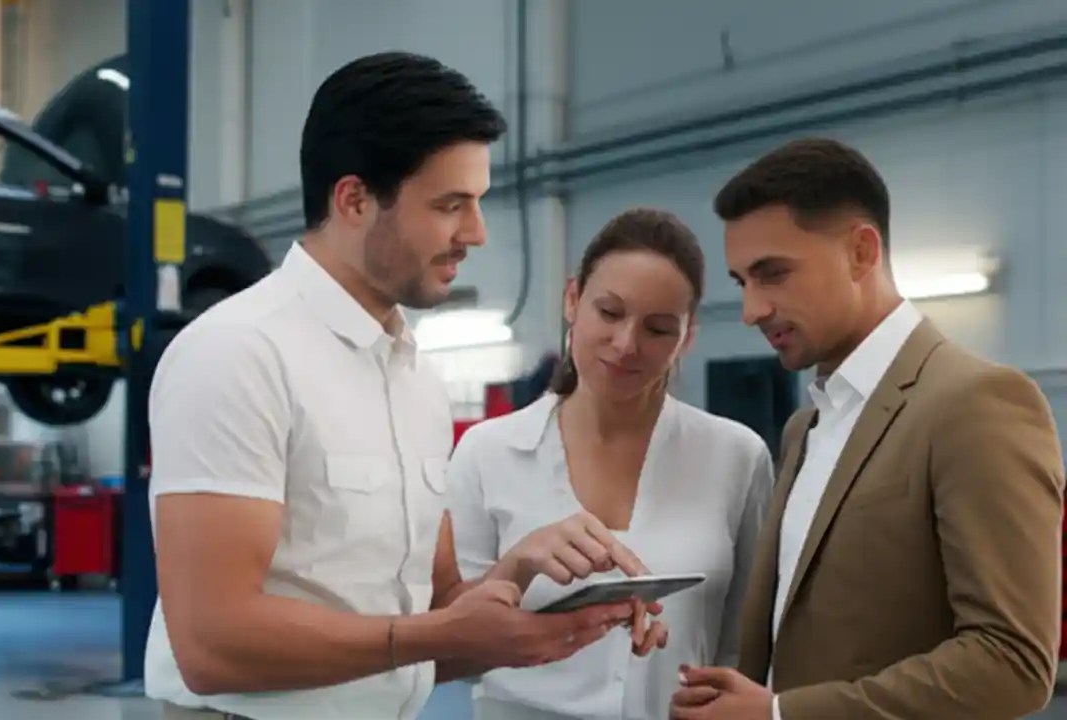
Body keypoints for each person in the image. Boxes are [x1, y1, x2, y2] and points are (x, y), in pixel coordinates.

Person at [143, 51, 653, 720]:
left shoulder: (415, 378)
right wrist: (441, 633)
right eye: (451, 205)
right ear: (354, 199)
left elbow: (434, 614)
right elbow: (210, 647)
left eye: (477, 204)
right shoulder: (236, 354)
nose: (476, 232)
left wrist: (531, 588)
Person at [670, 137, 1066, 720]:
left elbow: (1011, 662)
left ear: (861, 252)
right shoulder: (806, 427)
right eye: (741, 282)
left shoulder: (977, 403)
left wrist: (781, 714)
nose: (752, 309)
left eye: (772, 274)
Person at [442, 207, 775, 719]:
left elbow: (745, 646)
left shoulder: (737, 456)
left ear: (687, 336)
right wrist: (520, 567)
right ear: (572, 300)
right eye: (610, 313)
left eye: (659, 329)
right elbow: (449, 650)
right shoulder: (487, 453)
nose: (626, 345)